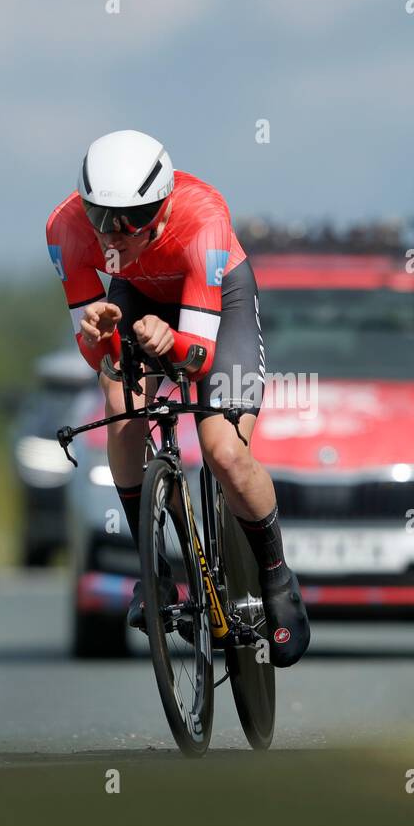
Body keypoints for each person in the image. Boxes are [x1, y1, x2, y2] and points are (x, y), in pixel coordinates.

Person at [45, 129, 310, 667]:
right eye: (102, 219)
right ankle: (155, 571)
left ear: (162, 207)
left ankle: (277, 577)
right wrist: (102, 334)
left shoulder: (203, 217)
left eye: (133, 220)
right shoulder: (65, 228)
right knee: (119, 399)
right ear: (84, 208)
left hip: (216, 299)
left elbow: (198, 360)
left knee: (224, 450)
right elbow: (95, 353)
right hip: (137, 300)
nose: (115, 237)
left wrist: (174, 344)